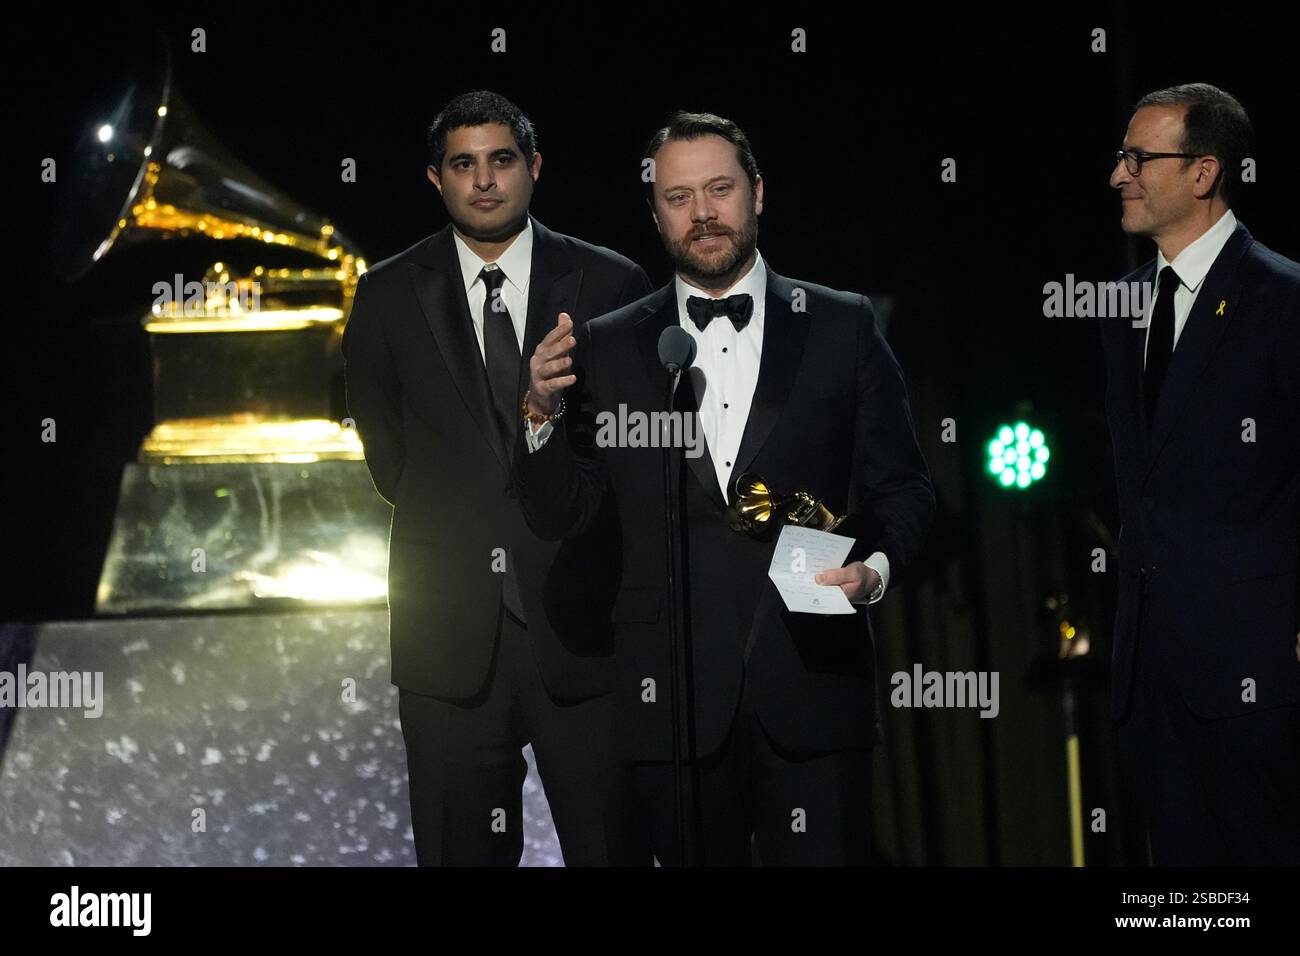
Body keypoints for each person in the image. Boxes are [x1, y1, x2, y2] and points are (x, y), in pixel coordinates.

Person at [514, 111, 934, 864]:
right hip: (669, 704)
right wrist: (539, 414)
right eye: (679, 198)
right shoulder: (608, 346)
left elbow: (904, 491)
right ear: (654, 211)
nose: (702, 213)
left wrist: (875, 572)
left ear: (758, 193)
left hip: (813, 683)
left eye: (719, 190)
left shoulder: (842, 326)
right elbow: (564, 512)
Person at [341, 90, 653, 865]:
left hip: (585, 633)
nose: (484, 181)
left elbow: (635, 454)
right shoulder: (384, 295)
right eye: (463, 164)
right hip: (449, 645)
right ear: (435, 179)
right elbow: (390, 461)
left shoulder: (611, 283)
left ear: (535, 167)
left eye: (502, 160)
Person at [1102, 82, 1300, 864]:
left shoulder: (1283, 299)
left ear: (1203, 172)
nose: (1118, 174)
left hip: (1259, 679)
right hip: (1152, 683)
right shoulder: (1117, 311)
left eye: (1137, 157)